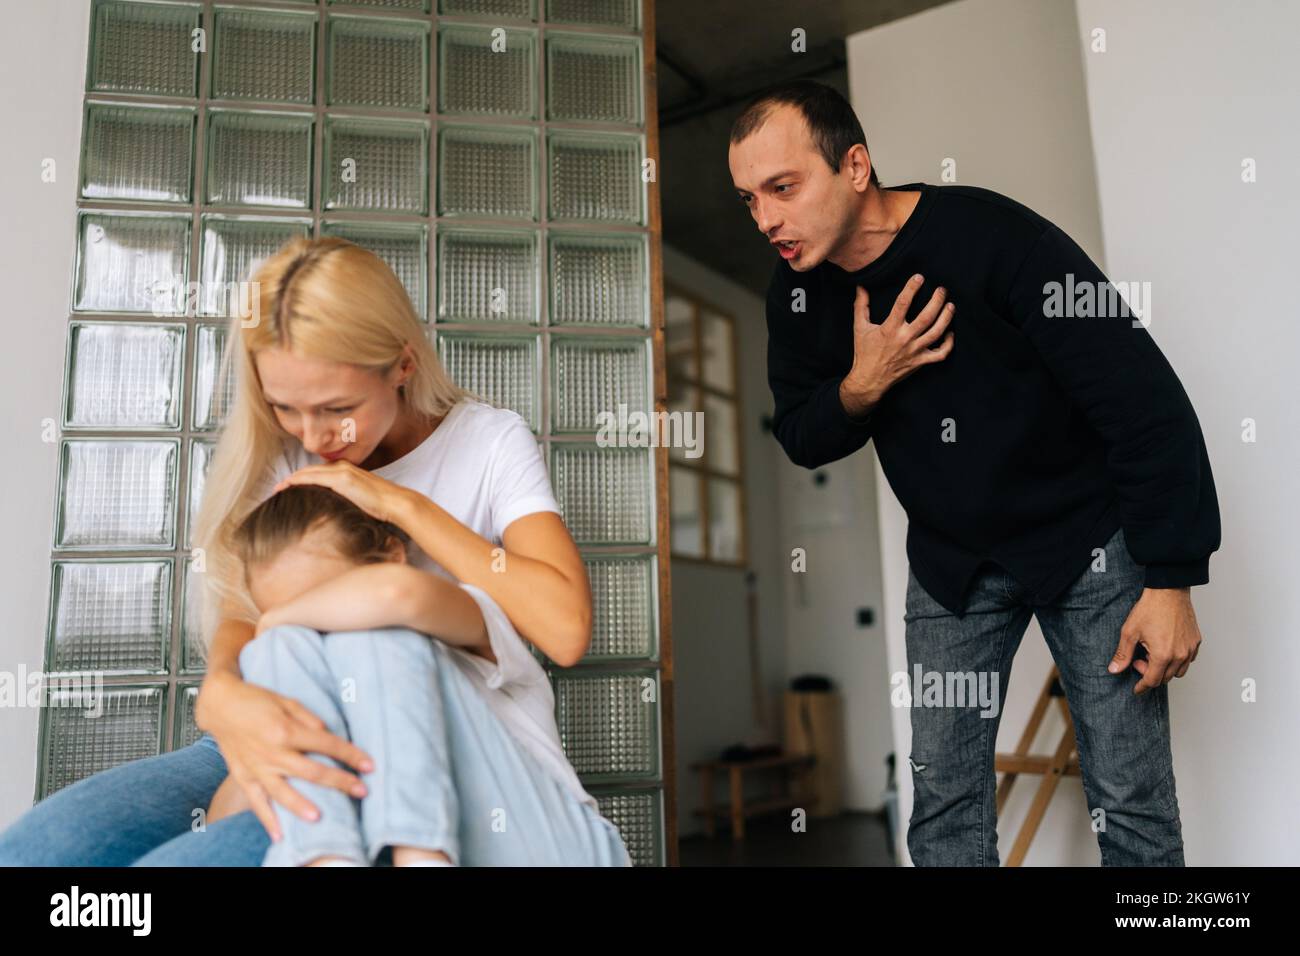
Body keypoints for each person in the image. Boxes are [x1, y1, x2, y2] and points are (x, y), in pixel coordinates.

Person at [0, 236, 622, 866]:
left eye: (338, 408)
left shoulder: (487, 443)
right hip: (284, 708)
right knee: (38, 853)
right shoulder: (283, 450)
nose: (314, 435)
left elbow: (564, 630)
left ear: (403, 364)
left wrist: (396, 502)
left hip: (426, 733)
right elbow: (244, 610)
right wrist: (222, 690)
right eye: (285, 407)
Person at [728, 79, 1220, 866]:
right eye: (749, 200)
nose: (766, 220)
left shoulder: (993, 236)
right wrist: (862, 385)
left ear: (855, 166)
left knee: (1131, 804)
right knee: (946, 808)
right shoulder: (795, 297)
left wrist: (1170, 577)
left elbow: (1142, 398)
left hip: (1088, 544)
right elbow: (801, 433)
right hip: (954, 563)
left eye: (783, 188)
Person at [204, 482, 629, 866]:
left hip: (557, 848)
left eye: (326, 599)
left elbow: (395, 595)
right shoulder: (292, 660)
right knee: (277, 656)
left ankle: (420, 850)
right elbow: (224, 819)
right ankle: (326, 857)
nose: (313, 630)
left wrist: (274, 624)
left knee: (373, 630)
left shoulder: (467, 619)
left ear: (393, 555)